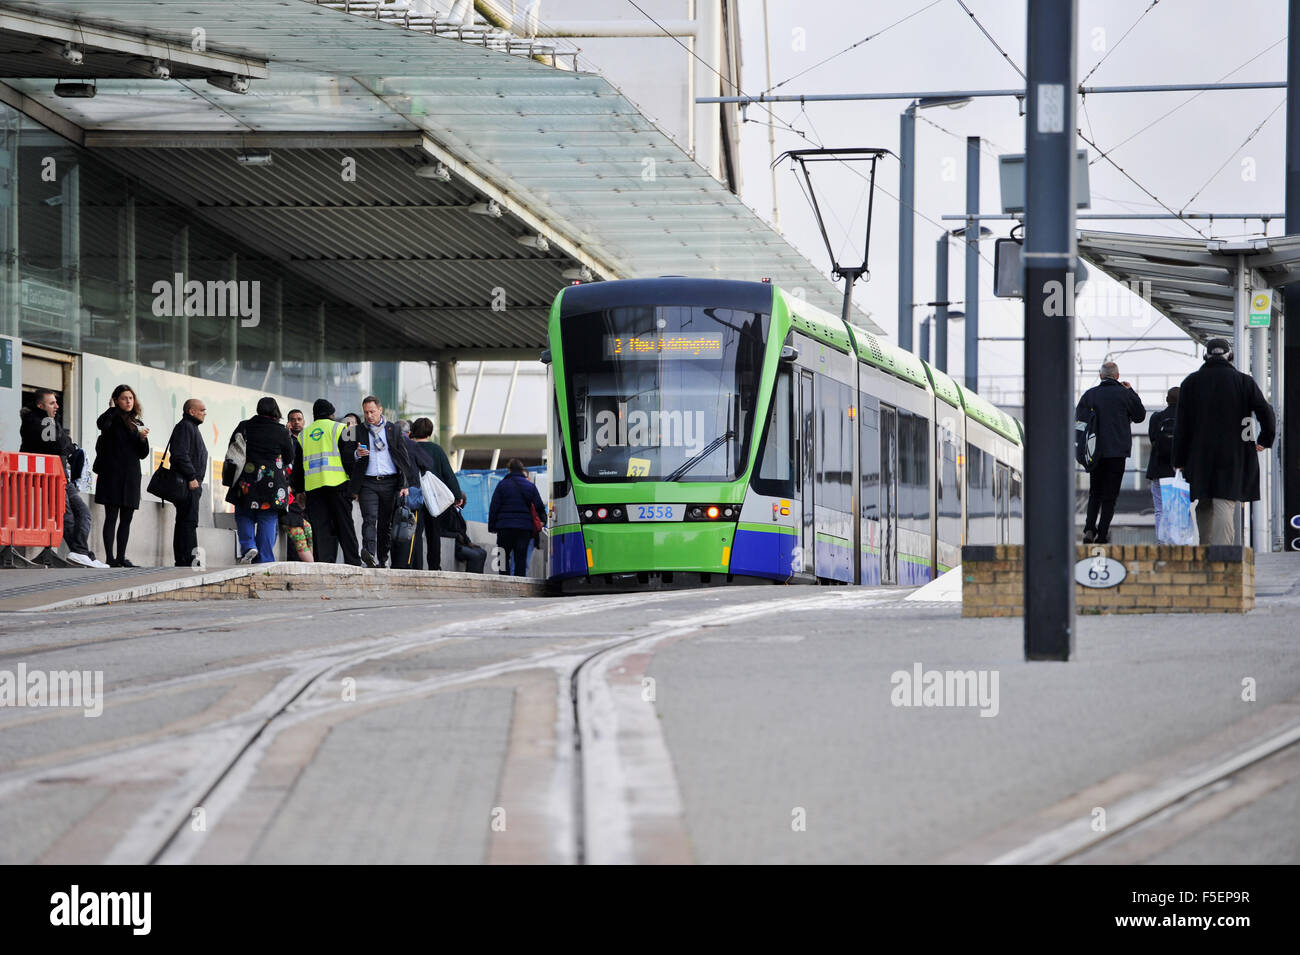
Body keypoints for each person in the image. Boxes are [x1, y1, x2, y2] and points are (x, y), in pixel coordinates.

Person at [1172, 337, 1276, 546]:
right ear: (1230, 356)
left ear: (1205, 356)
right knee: (1225, 501)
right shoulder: (1243, 381)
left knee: (1204, 501)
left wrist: (1179, 458)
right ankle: (1222, 555)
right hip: (1234, 452)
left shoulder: (1190, 382)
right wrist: (1265, 439)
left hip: (1199, 453)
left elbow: (1181, 425)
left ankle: (1206, 550)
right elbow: (1266, 412)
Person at [18, 390, 106, 568]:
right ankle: (81, 553)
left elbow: (64, 443)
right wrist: (67, 444)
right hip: (49, 478)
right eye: (52, 403)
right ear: (40, 405)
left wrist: (66, 444)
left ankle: (81, 553)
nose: (57, 406)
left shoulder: (49, 421)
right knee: (68, 516)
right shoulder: (37, 421)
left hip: (60, 476)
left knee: (83, 513)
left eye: (56, 402)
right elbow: (59, 444)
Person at [1075, 361, 1146, 544]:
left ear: (1100, 376)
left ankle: (1089, 529)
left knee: (1095, 492)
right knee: (1110, 495)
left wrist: (1082, 447)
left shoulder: (1090, 395)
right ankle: (1102, 533)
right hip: (1117, 453)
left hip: (1094, 452)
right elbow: (1139, 416)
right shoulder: (1124, 394)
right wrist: (1131, 391)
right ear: (1117, 376)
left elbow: (1079, 426)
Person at [224, 397, 296, 563]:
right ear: (275, 411)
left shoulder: (245, 426)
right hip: (272, 483)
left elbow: (232, 449)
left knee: (244, 513)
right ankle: (264, 558)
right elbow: (289, 457)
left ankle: (249, 546)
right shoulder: (281, 431)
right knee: (268, 518)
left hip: (246, 479)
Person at [93, 384, 151, 567]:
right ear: (116, 400)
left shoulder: (137, 423)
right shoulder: (111, 419)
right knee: (111, 516)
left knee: (127, 518)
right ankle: (110, 558)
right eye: (125, 398)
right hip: (112, 474)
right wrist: (111, 409)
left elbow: (143, 454)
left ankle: (121, 557)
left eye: (131, 398)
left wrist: (143, 439)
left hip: (131, 475)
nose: (128, 401)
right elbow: (101, 424)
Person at [357, 396, 417, 568]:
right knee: (369, 519)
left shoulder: (393, 429)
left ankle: (382, 558)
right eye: (366, 412)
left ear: (380, 410)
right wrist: (355, 454)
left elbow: (403, 458)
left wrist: (404, 484)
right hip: (367, 483)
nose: (369, 416)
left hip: (390, 483)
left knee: (385, 524)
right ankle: (369, 554)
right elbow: (347, 453)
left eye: (372, 412)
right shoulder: (359, 430)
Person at [302, 399, 361, 565]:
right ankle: (353, 562)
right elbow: (350, 459)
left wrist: (299, 489)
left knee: (320, 528)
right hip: (339, 486)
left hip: (313, 488)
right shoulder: (344, 429)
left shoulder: (303, 434)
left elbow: (300, 467)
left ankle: (324, 563)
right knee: (345, 525)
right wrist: (355, 485)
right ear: (332, 414)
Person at [405, 416, 464, 570]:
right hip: (434, 500)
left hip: (413, 497)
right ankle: (434, 566)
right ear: (429, 433)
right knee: (433, 534)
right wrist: (457, 496)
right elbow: (448, 474)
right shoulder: (437, 450)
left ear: (413, 432)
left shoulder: (408, 448)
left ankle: (415, 566)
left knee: (415, 533)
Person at [167, 398, 208, 567]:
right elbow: (179, 454)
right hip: (187, 483)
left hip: (191, 483)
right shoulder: (185, 427)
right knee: (188, 522)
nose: (204, 413)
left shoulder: (191, 427)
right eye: (202, 410)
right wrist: (192, 477)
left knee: (186, 521)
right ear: (192, 411)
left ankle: (185, 558)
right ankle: (188, 559)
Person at [488, 458, 545, 577]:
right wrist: (543, 520)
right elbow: (539, 506)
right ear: (521, 469)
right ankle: (520, 583)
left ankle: (503, 580)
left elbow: (494, 507)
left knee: (503, 555)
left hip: (505, 528)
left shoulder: (502, 485)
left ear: (509, 470)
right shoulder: (530, 486)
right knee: (521, 557)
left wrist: (492, 526)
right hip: (524, 529)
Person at [1146, 387, 1179, 544]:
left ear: (1167, 400)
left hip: (1158, 469)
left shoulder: (1156, 417)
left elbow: (1152, 440)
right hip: (1179, 471)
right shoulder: (1187, 418)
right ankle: (1177, 542)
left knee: (1160, 509)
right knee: (1179, 508)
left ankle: (1161, 543)